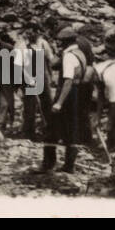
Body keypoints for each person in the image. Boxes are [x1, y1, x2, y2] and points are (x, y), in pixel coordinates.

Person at [42, 26, 90, 172]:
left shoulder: (68, 56)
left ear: (64, 42)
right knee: (71, 129)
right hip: (75, 93)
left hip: (66, 93)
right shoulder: (80, 53)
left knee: (51, 129)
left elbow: (68, 80)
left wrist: (59, 103)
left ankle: (48, 164)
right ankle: (69, 166)